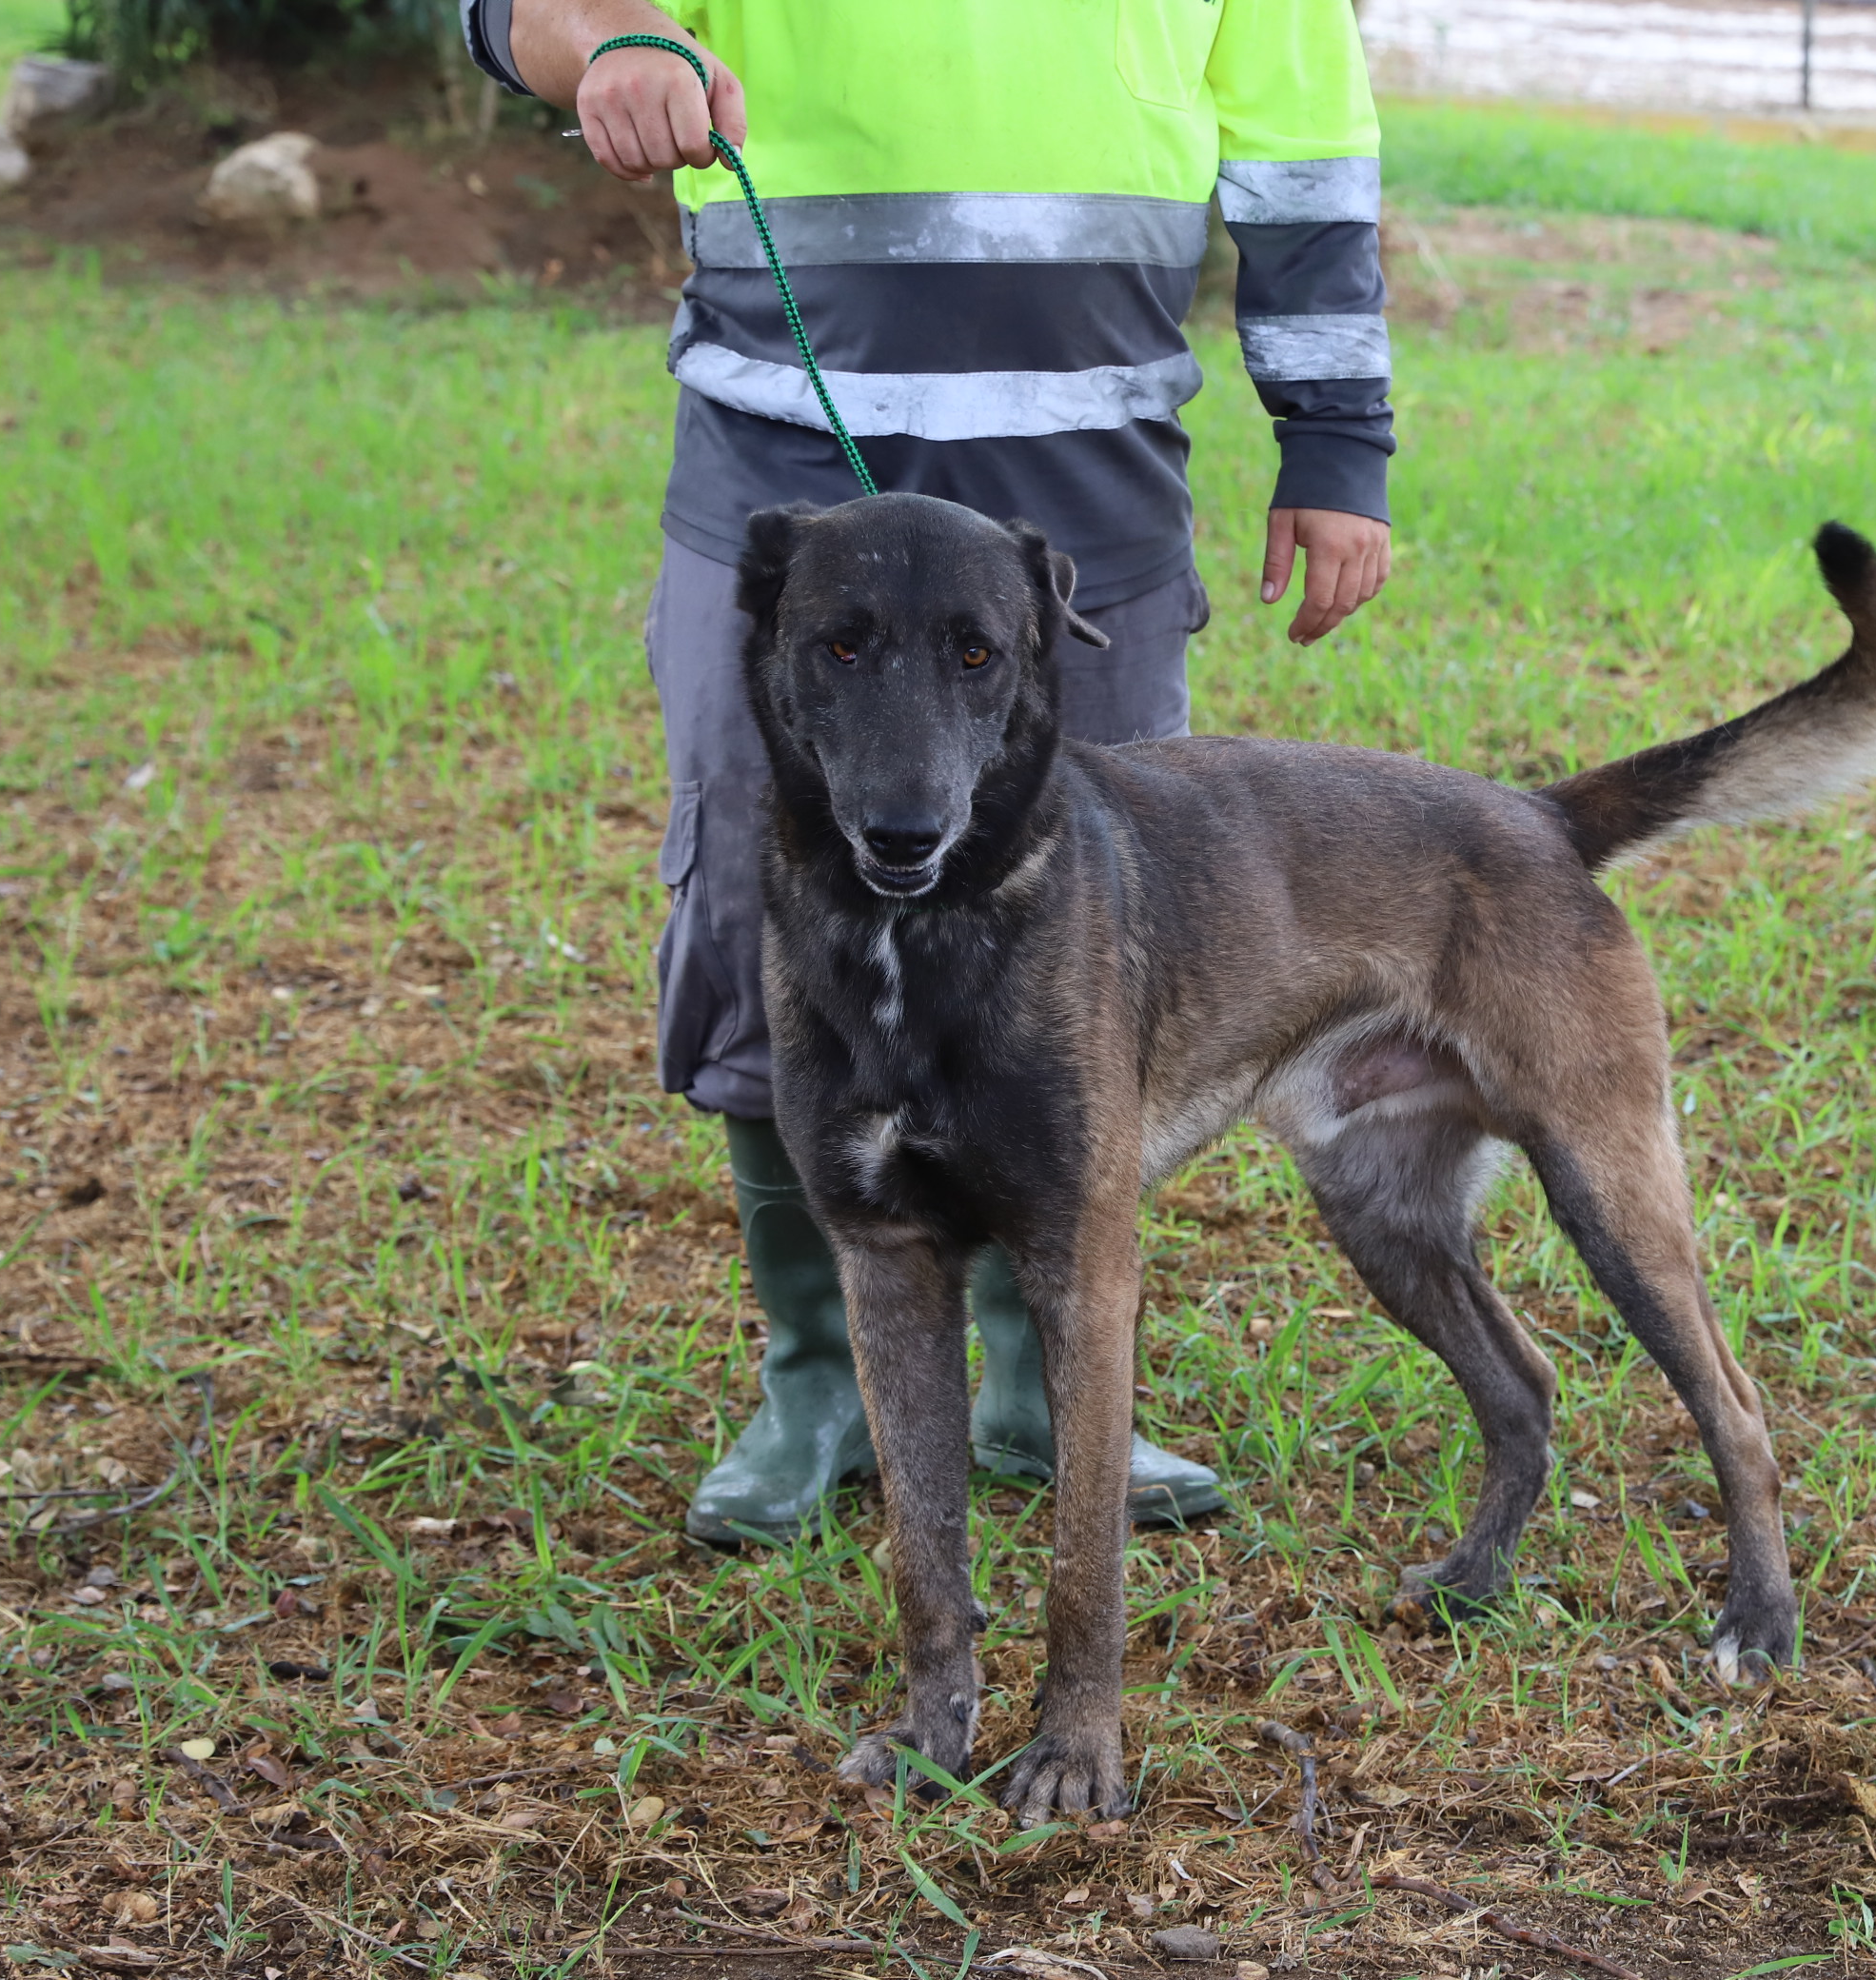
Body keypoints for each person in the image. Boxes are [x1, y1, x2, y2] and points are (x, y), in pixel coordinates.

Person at [460, 0, 1395, 1545]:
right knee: (771, 932)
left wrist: (1337, 442)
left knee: (1090, 950)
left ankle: (1048, 1387)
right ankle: (818, 1387)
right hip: (785, 486)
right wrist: (615, 43)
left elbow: (1304, 163)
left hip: (1087, 504)